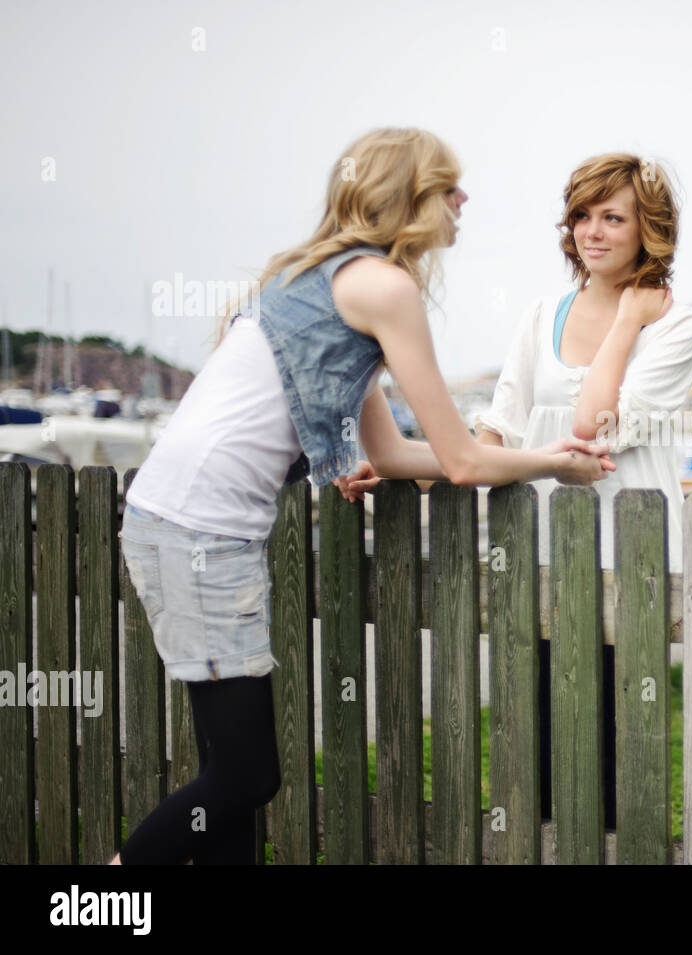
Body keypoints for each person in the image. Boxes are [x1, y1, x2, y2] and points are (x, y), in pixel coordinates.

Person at [112, 127, 613, 865]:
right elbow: (463, 461)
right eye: (449, 187)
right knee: (247, 777)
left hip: (174, 519)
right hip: (201, 534)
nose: (464, 198)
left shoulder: (316, 276)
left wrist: (496, 457)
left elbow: (394, 453)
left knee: (229, 779)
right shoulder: (384, 285)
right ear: (407, 197)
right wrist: (554, 462)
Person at [470, 152, 692, 828]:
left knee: (616, 751)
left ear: (648, 230)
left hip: (628, 566)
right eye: (582, 215)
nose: (592, 231)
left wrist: (628, 320)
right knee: (542, 738)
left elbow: (595, 424)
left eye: (613, 217)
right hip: (542, 556)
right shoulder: (541, 313)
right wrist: (416, 472)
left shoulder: (676, 326)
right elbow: (498, 426)